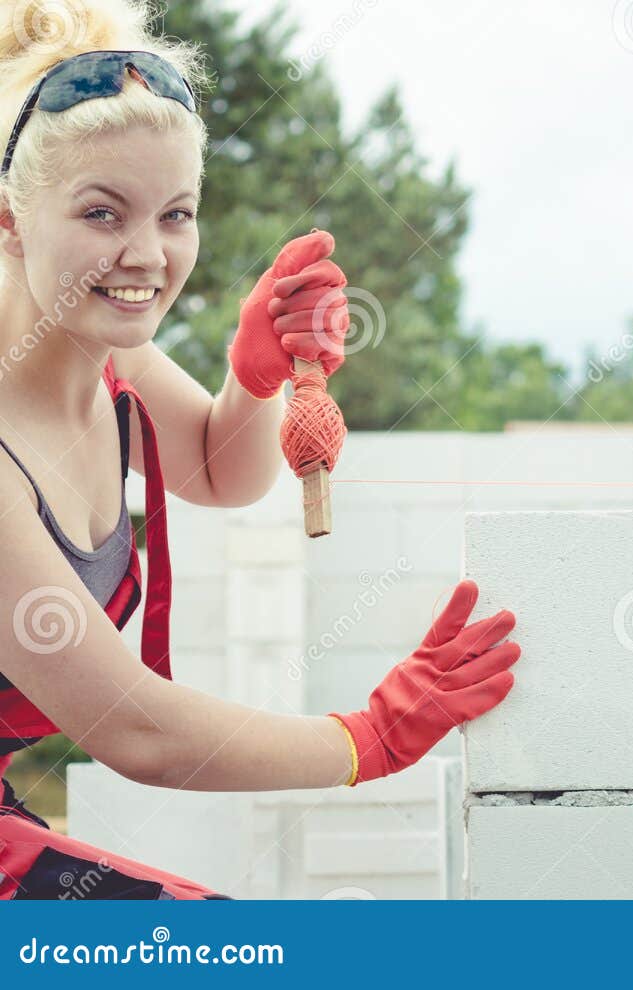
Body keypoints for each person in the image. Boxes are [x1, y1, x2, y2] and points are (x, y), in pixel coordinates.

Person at [0, 0, 520, 899]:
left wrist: (256, 372)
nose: (148, 254)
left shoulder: (109, 356)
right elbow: (139, 733)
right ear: (9, 218)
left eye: (176, 214)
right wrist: (369, 739)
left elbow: (216, 471)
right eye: (100, 212)